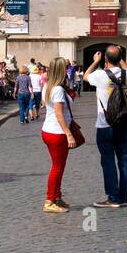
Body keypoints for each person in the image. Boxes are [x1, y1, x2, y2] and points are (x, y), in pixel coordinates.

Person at [85, 46, 127, 207]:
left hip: (105, 125)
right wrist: (120, 58)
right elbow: (126, 68)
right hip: (124, 123)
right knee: (124, 159)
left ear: (106, 59)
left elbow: (85, 77)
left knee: (108, 161)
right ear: (119, 59)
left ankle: (113, 197)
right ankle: (123, 197)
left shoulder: (100, 75)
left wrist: (96, 62)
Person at [40, 55, 78, 213]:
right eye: (66, 68)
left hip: (48, 130)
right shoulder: (58, 90)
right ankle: (49, 201)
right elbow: (59, 114)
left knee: (59, 167)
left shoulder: (49, 86)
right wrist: (69, 134)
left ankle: (57, 197)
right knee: (57, 168)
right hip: (58, 132)